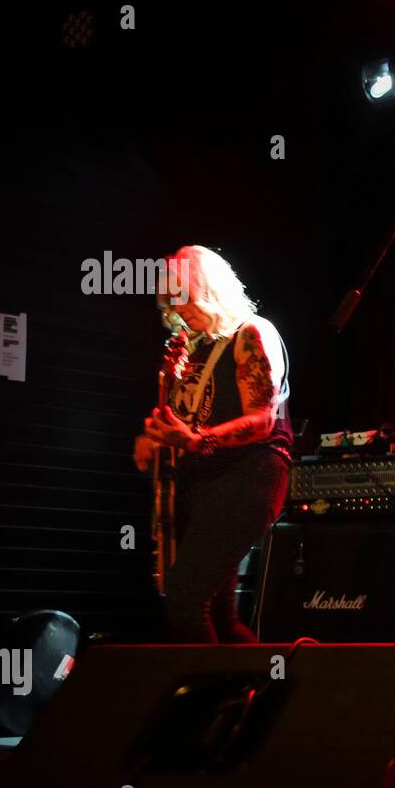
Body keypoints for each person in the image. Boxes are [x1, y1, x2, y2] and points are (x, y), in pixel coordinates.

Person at [132, 245, 292, 642]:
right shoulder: (194, 347)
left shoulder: (250, 333)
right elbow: (187, 420)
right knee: (220, 616)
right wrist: (154, 440)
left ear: (208, 288)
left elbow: (261, 420)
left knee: (186, 598)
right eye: (170, 298)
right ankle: (253, 691)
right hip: (205, 480)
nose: (177, 307)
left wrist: (194, 440)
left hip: (248, 474)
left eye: (182, 294)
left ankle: (213, 701)